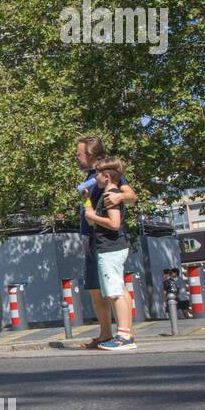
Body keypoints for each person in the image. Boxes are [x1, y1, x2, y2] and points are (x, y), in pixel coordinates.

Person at [75, 136, 138, 348]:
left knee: (115, 286)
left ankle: (125, 333)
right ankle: (105, 334)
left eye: (79, 154)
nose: (77, 158)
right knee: (95, 287)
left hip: (107, 240)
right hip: (92, 239)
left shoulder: (106, 172)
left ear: (90, 154)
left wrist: (119, 197)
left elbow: (130, 194)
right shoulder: (91, 178)